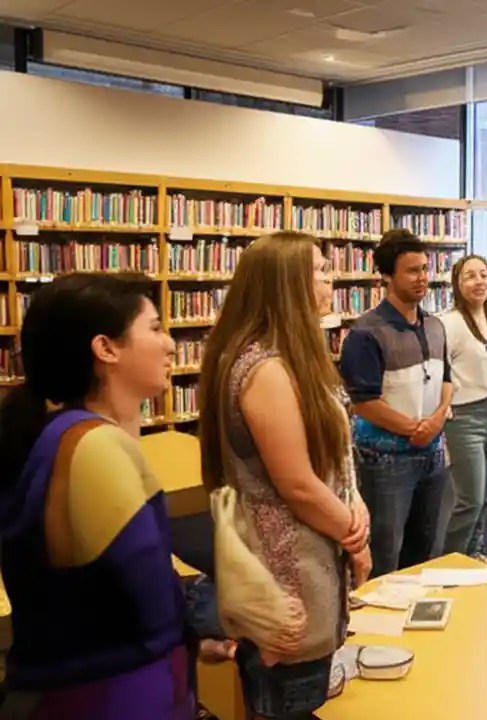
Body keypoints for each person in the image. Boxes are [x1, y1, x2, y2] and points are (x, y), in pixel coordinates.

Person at [0, 274, 232, 720]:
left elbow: (112, 599)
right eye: (155, 328)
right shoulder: (96, 447)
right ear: (106, 348)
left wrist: (193, 640)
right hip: (110, 697)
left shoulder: (67, 434)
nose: (170, 345)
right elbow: (149, 596)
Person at [200, 232, 369, 719]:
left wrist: (352, 508)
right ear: (287, 283)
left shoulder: (290, 357)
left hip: (305, 564)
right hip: (288, 576)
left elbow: (330, 459)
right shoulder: (266, 369)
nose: (329, 278)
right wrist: (353, 535)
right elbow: (296, 483)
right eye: (318, 270)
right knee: (288, 699)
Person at [340, 228, 452, 578]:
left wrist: (434, 422)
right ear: (386, 276)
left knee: (424, 547)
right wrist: (412, 429)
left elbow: (447, 379)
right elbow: (363, 402)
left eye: (425, 268)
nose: (422, 278)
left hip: (432, 453)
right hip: (386, 459)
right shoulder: (365, 333)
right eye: (412, 270)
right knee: (384, 552)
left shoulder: (434, 325)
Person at [440, 255, 487, 562]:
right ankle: (452, 558)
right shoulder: (448, 323)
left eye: (484, 274)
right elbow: (438, 370)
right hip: (464, 416)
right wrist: (442, 406)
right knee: (470, 498)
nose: (479, 281)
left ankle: (475, 550)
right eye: (470, 276)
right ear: (457, 283)